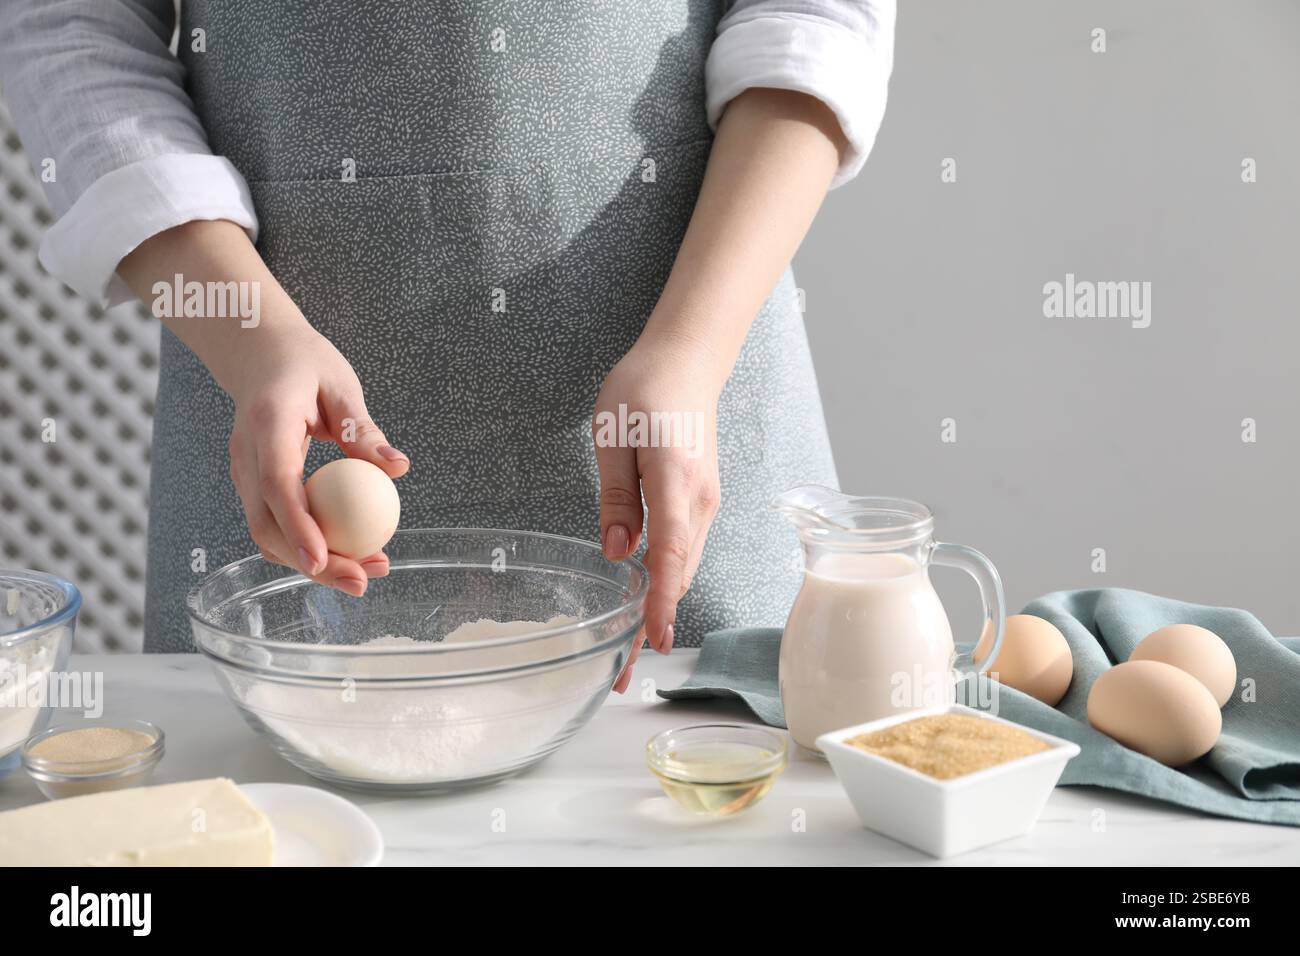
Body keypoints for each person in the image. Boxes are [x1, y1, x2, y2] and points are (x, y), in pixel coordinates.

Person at [0, 0, 894, 690]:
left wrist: (695, 347)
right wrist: (251, 337)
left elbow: (811, 15)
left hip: (688, 399)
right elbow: (70, 23)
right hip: (277, 413)